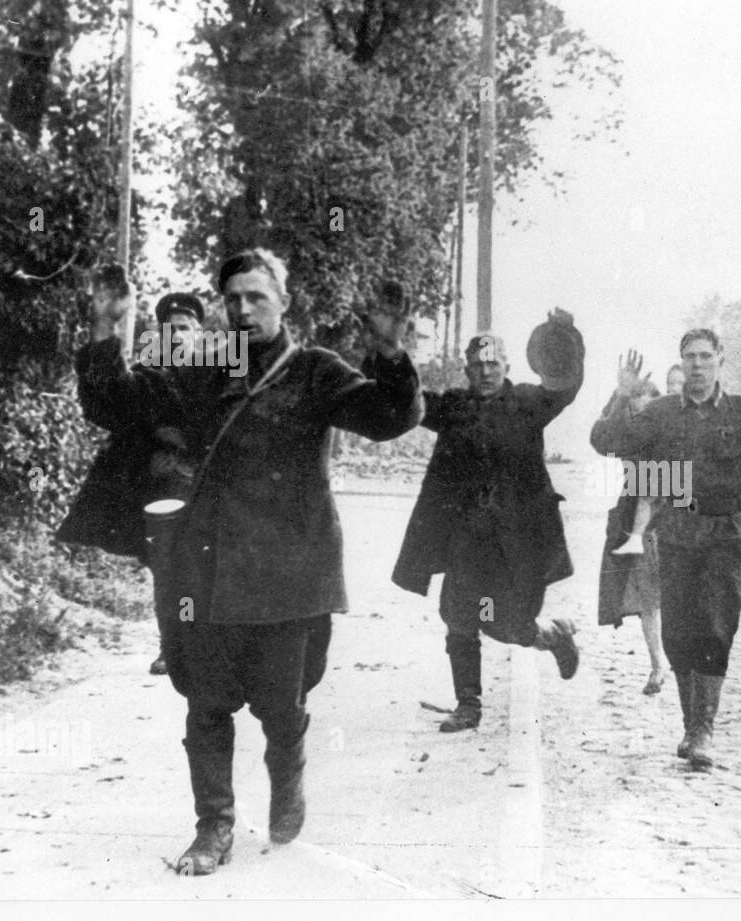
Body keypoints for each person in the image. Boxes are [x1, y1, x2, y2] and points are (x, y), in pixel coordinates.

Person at [74, 251, 421, 876]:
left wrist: (392, 353)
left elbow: (388, 418)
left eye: (256, 297)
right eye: (232, 298)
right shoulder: (203, 364)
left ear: (283, 302)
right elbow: (117, 405)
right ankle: (214, 828)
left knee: (279, 706)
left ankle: (287, 779)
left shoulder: (315, 371)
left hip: (288, 571)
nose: (242, 310)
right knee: (205, 704)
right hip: (204, 568)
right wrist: (105, 330)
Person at [590, 332, 741, 770]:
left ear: (720, 360)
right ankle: (690, 723)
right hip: (676, 528)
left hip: (725, 530)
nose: (697, 365)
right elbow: (604, 441)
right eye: (690, 358)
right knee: (677, 630)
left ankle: (703, 729)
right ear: (682, 361)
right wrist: (620, 394)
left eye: (705, 357)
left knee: (716, 625)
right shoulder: (660, 414)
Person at [391, 313, 585, 733]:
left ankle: (553, 636)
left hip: (516, 547)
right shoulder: (454, 408)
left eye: (493, 363)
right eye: (477, 365)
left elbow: (566, 385)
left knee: (505, 624)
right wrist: (396, 354)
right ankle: (469, 705)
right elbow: (410, 401)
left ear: (507, 366)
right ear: (466, 369)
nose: (485, 371)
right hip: (467, 543)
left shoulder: (530, 404)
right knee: (460, 616)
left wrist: (564, 335)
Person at [57, 291, 206, 675]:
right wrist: (155, 440)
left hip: (215, 489)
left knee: (209, 571)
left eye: (185, 329)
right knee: (169, 570)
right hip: (166, 493)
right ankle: (173, 647)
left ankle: (209, 646)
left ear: (200, 334)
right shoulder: (147, 377)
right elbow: (108, 400)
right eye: (169, 330)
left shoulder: (220, 377)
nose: (177, 337)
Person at [596, 377, 666, 694]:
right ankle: (657, 666)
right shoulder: (630, 434)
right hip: (641, 523)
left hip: (678, 516)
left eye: (647, 396)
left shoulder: (679, 428)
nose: (642, 402)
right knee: (648, 599)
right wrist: (619, 393)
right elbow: (601, 438)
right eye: (637, 396)